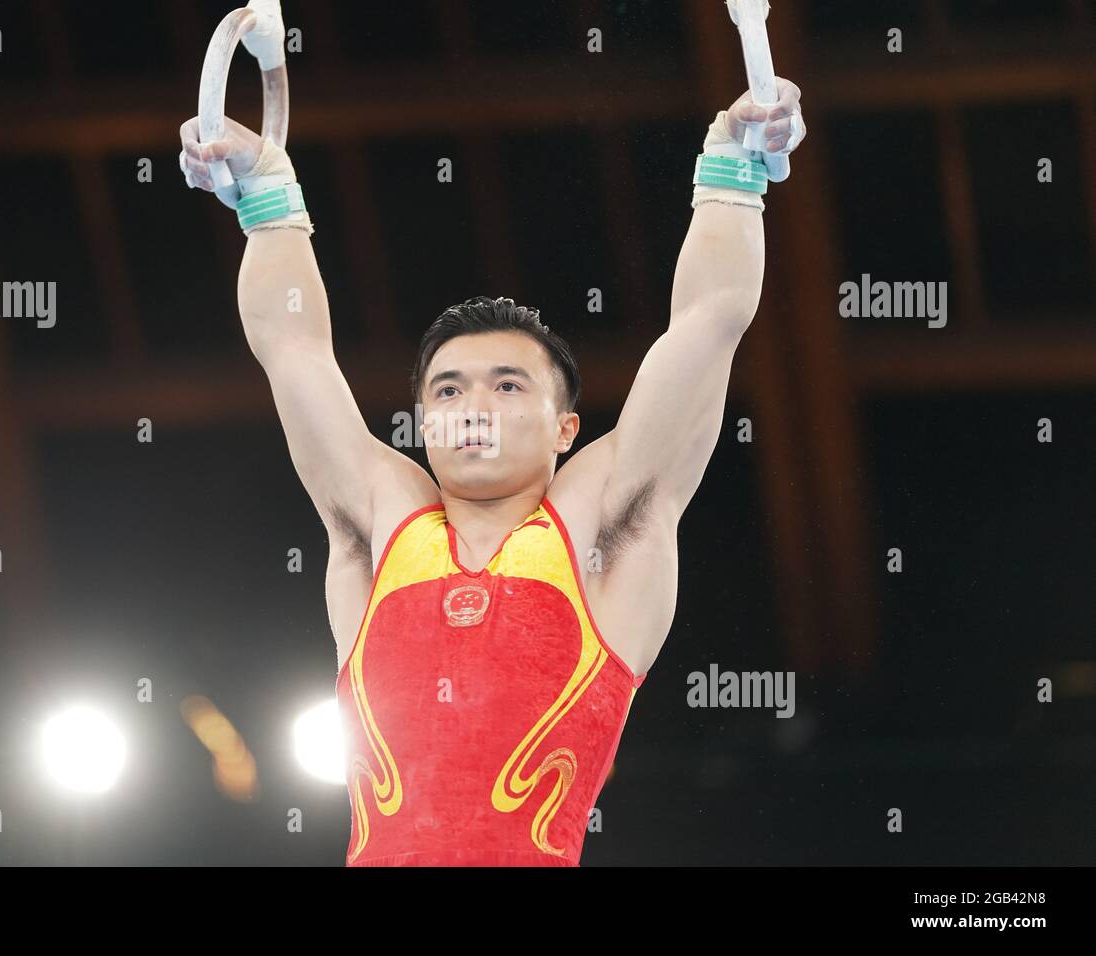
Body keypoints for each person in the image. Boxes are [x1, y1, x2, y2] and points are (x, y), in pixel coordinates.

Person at [178, 3, 805, 866]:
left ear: (565, 430)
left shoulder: (600, 526)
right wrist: (266, 198)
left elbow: (710, 318)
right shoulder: (380, 516)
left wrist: (735, 166)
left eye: (508, 385)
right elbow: (290, 347)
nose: (474, 402)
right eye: (448, 388)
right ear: (424, 423)